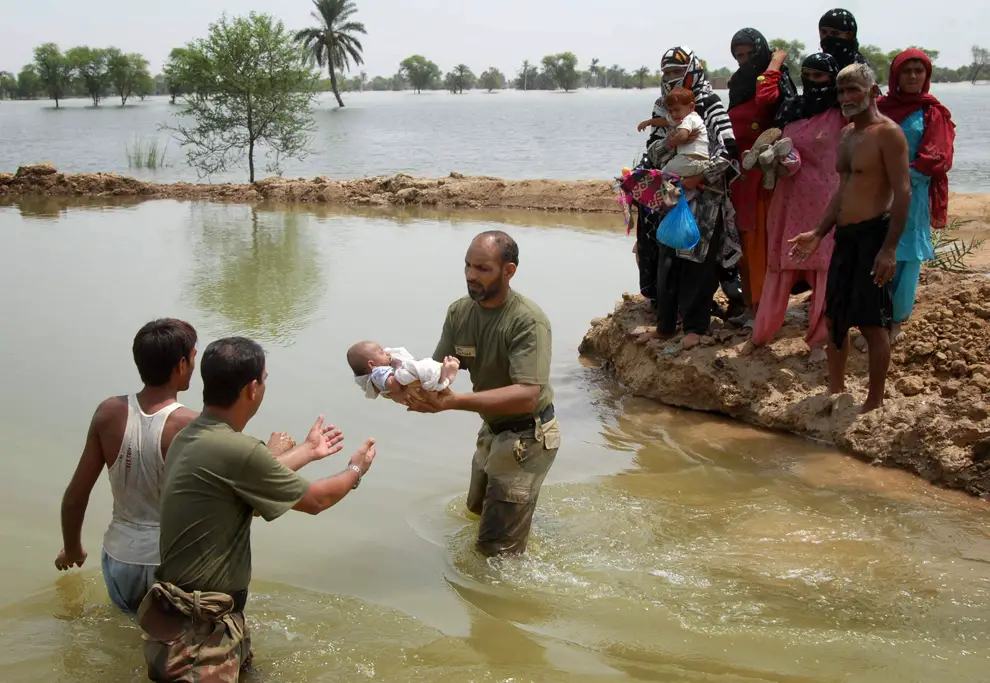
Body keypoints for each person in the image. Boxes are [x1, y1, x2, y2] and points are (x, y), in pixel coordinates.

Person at [137, 336, 377, 681]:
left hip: (191, 615)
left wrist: (308, 450)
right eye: (264, 379)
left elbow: (245, 488)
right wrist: (356, 470)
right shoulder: (237, 449)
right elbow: (317, 500)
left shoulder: (190, 437)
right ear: (252, 388)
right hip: (200, 629)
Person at [404, 230, 560, 557]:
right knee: (475, 512)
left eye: (482, 268)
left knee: (494, 552)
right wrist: (395, 379)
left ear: (509, 271)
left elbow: (528, 395)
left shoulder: (527, 321)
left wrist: (454, 402)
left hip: (528, 437)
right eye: (467, 266)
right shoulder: (460, 313)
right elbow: (436, 371)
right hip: (492, 431)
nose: (471, 276)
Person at [53, 319, 200, 613]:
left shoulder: (109, 413)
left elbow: (75, 498)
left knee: (127, 634)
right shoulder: (191, 425)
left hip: (121, 557)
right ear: (182, 364)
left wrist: (72, 548)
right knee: (171, 647)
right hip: (171, 561)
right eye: (194, 357)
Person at [788, 63, 911, 413]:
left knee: (874, 324)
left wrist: (889, 248)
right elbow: (843, 191)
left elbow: (903, 193)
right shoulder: (846, 135)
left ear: (873, 92)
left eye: (853, 90)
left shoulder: (888, 133)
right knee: (834, 319)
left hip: (875, 235)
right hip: (845, 236)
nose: (846, 97)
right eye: (841, 91)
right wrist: (818, 231)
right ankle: (835, 391)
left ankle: (874, 403)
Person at [635, 46, 743, 345]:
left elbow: (729, 151)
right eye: (667, 73)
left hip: (706, 196)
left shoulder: (709, 104)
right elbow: (654, 152)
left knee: (698, 260)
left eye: (677, 72)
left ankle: (697, 328)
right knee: (667, 258)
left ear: (692, 71)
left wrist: (700, 177)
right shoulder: (664, 107)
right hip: (672, 193)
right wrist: (672, 142)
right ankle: (667, 325)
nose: (672, 79)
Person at [750, 53, 845, 360]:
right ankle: (761, 335)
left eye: (820, 76)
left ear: (832, 80)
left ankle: (819, 339)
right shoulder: (792, 109)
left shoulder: (842, 113)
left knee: (824, 270)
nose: (813, 82)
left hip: (828, 201)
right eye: (807, 75)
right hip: (788, 199)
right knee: (780, 265)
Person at [877, 49, 956, 344]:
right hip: (875, 192)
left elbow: (936, 158)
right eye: (906, 70)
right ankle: (877, 318)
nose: (912, 76)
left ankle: (896, 320)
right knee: (877, 251)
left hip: (913, 194)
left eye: (918, 71)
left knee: (907, 256)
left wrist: (898, 180)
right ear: (896, 74)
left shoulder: (932, 112)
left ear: (926, 76)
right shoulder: (879, 107)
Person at [726, 28, 798, 326]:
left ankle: (762, 308)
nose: (744, 61)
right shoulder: (738, 83)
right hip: (739, 174)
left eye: (749, 54)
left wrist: (774, 64)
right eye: (738, 55)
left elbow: (767, 98)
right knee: (742, 240)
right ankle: (748, 303)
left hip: (762, 176)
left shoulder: (774, 81)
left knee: (759, 241)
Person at [347, 340, 460, 400]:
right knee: (414, 368)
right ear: (372, 364)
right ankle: (443, 374)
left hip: (418, 391)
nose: (387, 353)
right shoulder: (378, 373)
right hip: (409, 387)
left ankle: (445, 376)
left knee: (428, 378)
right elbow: (393, 385)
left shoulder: (380, 371)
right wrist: (400, 374)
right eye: (381, 352)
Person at [655, 87, 710, 183]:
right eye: (670, 111)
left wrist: (671, 141)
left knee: (661, 175)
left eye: (677, 110)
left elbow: (682, 137)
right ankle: (683, 183)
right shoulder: (697, 119)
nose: (673, 114)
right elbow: (666, 122)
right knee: (671, 175)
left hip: (689, 161)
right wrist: (647, 123)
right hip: (703, 163)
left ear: (691, 107)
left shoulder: (687, 119)